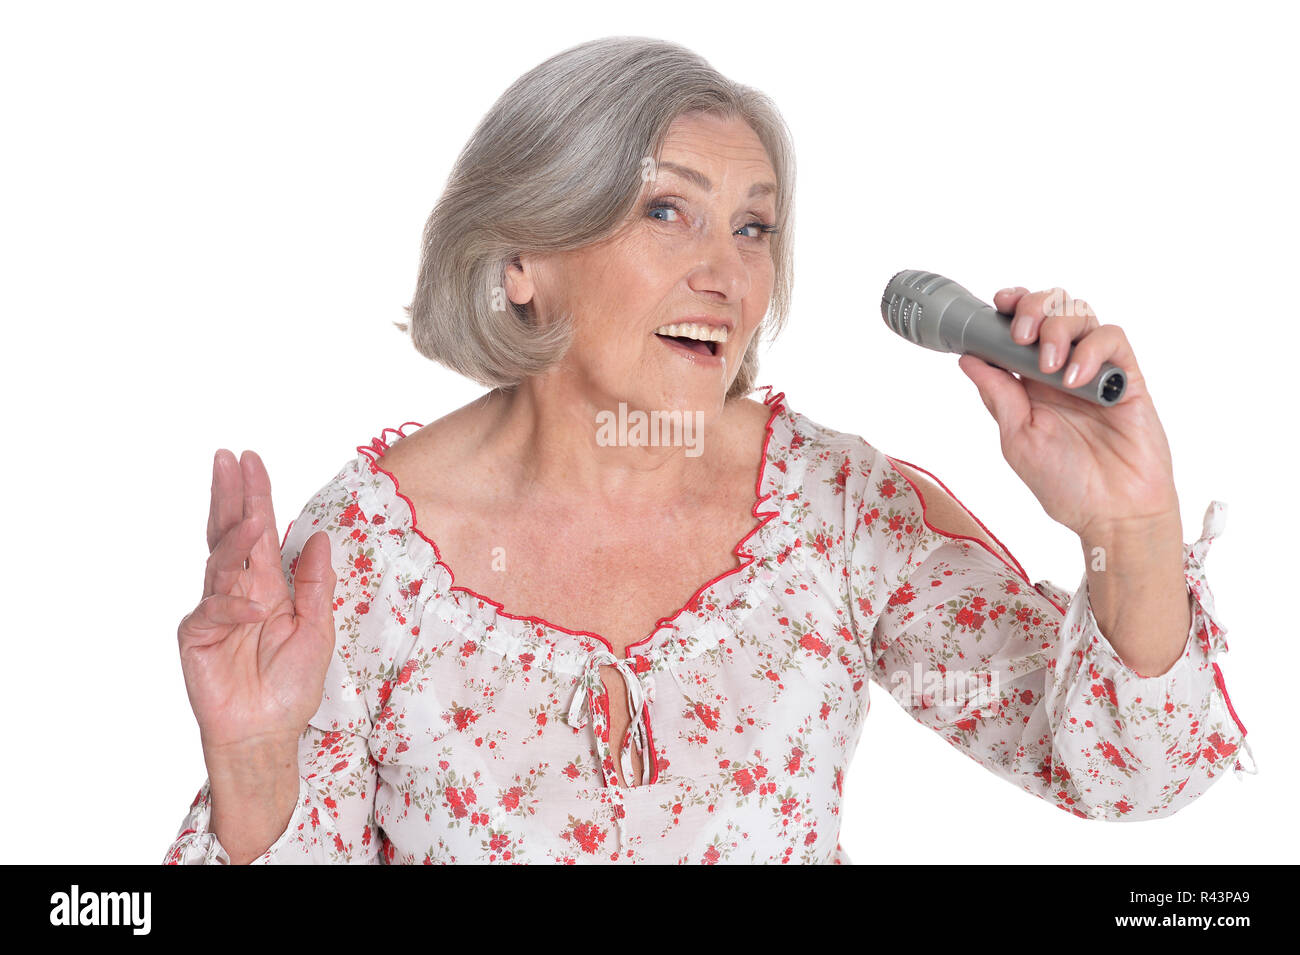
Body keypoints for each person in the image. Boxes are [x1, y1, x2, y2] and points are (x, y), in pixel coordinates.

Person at [164, 36, 1254, 865]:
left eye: (753, 226)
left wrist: (1130, 529)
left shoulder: (831, 508)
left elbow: (1130, 775)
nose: (726, 275)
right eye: (665, 212)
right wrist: (258, 766)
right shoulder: (358, 554)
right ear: (520, 262)